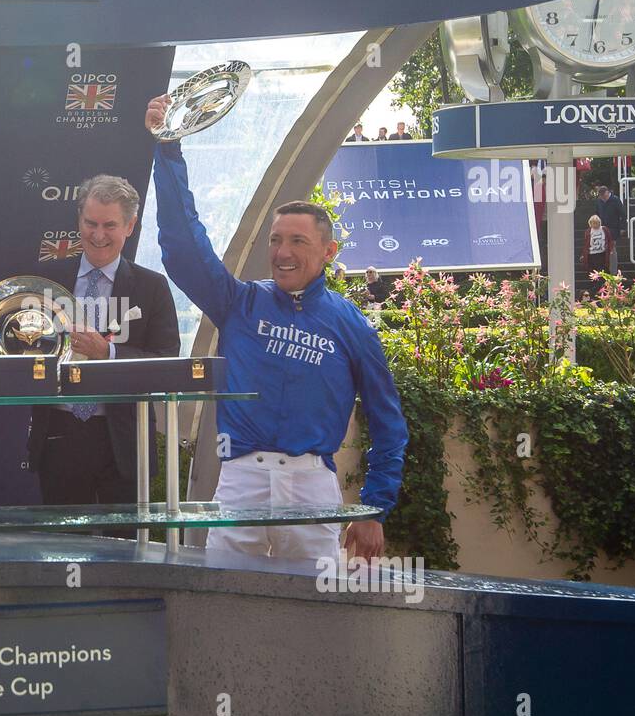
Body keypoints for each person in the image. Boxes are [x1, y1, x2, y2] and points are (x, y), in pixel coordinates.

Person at [146, 94, 408, 565]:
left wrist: (375, 507)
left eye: (298, 241)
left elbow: (388, 423)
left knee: (314, 613)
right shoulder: (241, 302)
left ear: (328, 252)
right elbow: (184, 249)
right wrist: (168, 151)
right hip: (242, 479)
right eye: (275, 240)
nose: (282, 251)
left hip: (311, 485)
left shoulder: (352, 325)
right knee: (227, 600)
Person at [28, 174, 180, 508]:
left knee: (125, 551)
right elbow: (23, 351)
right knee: (62, 548)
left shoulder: (151, 287)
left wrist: (107, 352)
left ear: (130, 225)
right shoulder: (45, 282)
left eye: (109, 225)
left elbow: (166, 361)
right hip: (58, 434)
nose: (98, 236)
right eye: (90, 223)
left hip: (124, 441)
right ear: (79, 220)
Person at [593, 185, 624, 274]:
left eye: (604, 196)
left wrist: (622, 228)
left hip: (613, 229)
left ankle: (613, 271)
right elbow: (597, 213)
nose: (603, 198)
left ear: (607, 192)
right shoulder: (599, 201)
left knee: (612, 250)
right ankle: (603, 270)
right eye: (601, 197)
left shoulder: (615, 200)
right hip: (601, 229)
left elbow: (622, 214)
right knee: (601, 249)